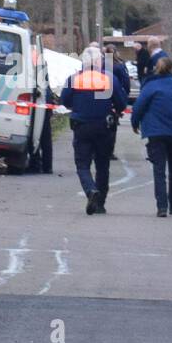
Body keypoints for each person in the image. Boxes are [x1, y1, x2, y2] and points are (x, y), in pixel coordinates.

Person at [60, 45, 127, 215]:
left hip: (81, 126)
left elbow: (64, 100)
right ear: (99, 62)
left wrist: (78, 106)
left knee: (82, 164)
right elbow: (121, 103)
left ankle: (90, 190)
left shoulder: (74, 79)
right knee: (103, 165)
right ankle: (101, 204)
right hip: (104, 126)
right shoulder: (109, 79)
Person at [130, 56, 172, 218]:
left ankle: (162, 207)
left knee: (158, 170)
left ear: (156, 69)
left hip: (156, 133)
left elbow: (138, 107)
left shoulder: (150, 86)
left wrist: (135, 123)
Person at [104, 44, 131, 161]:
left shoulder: (100, 65)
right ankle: (109, 151)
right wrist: (124, 97)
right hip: (114, 97)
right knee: (112, 126)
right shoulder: (119, 66)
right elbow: (125, 82)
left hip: (100, 97)